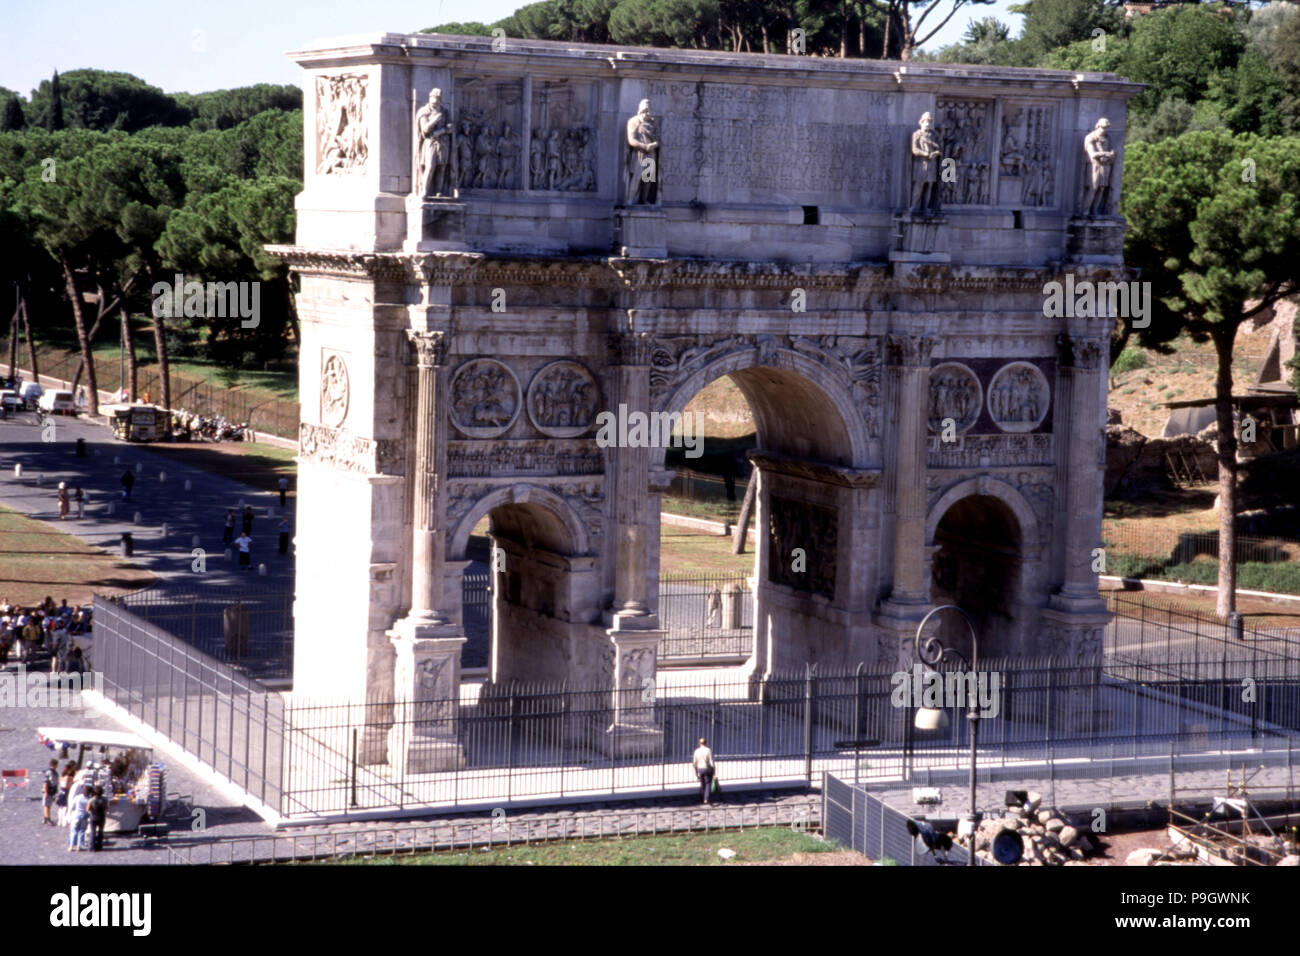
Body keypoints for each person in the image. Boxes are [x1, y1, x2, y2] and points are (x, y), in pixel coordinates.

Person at [68, 784, 91, 852]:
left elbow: (72, 807)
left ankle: (71, 846)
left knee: (74, 831)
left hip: (76, 816)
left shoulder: (77, 797)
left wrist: (69, 814)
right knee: (82, 831)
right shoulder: (89, 800)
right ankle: (79, 846)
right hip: (84, 816)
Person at [693, 738, 715, 805]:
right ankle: (706, 798)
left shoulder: (696, 751)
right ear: (706, 743)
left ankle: (702, 797)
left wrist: (696, 773)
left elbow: (694, 763)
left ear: (699, 743)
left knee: (702, 784)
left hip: (700, 769)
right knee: (708, 784)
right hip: (707, 769)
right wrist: (714, 771)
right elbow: (711, 761)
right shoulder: (708, 750)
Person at [88, 786, 108, 851]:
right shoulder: (105, 799)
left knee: (93, 832)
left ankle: (92, 846)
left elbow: (87, 809)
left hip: (93, 817)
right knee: (100, 831)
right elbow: (107, 808)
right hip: (101, 817)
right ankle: (99, 845)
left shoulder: (91, 800)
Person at [42, 759, 59, 826]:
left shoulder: (54, 772)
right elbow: (46, 783)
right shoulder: (49, 772)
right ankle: (47, 818)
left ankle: (46, 818)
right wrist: (46, 792)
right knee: (47, 805)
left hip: (52, 790)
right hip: (48, 790)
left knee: (48, 804)